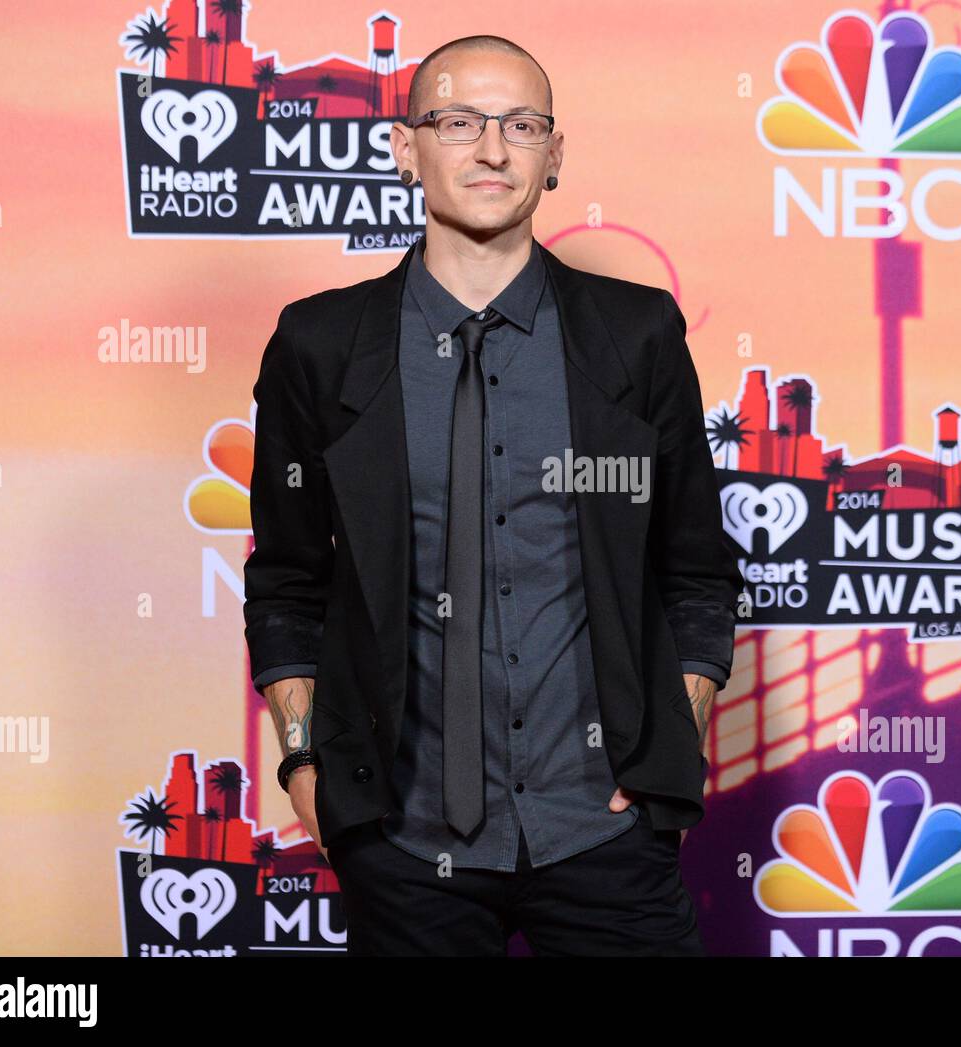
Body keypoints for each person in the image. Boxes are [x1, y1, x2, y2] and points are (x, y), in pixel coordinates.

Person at [244, 34, 741, 956]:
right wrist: (308, 763)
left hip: (605, 832)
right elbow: (286, 583)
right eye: (459, 120)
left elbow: (696, 568)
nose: (492, 149)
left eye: (522, 124)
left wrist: (669, 741)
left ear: (555, 157)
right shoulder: (319, 346)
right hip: (400, 843)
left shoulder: (636, 338)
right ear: (406, 147)